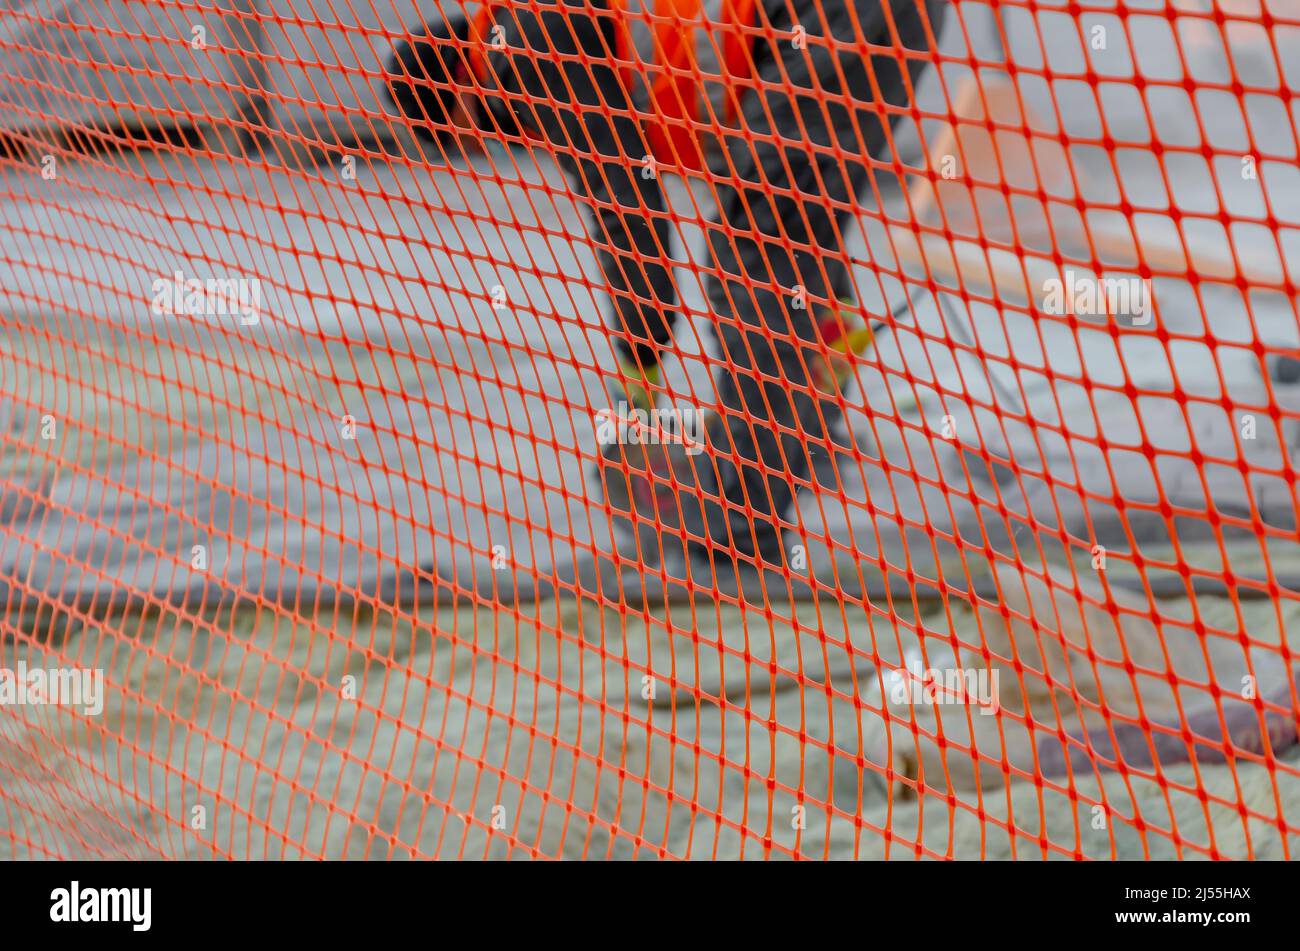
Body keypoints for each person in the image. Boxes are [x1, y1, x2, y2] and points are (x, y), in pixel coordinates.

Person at [386, 0, 946, 574]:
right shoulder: (531, 24)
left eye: (466, 139)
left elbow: (625, 207)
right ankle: (814, 389)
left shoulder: (522, 47)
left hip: (829, 21)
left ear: (456, 98)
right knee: (781, 215)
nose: (498, 144)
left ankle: (738, 524)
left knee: (756, 244)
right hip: (835, 25)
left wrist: (640, 360)